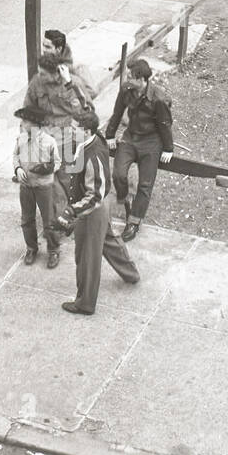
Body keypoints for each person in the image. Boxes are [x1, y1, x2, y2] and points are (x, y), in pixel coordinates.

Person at [55, 110, 140, 315]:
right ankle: (130, 273)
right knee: (108, 241)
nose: (71, 131)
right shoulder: (90, 142)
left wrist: (70, 211)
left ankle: (85, 303)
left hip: (92, 211)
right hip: (97, 210)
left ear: (86, 131)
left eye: (74, 129)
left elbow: (95, 196)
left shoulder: (92, 156)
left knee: (86, 257)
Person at [104, 58, 174, 242]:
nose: (127, 79)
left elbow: (165, 124)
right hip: (130, 137)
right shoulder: (126, 90)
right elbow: (117, 113)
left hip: (151, 142)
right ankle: (124, 198)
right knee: (118, 174)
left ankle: (133, 222)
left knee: (145, 185)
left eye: (130, 77)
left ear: (141, 79)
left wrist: (168, 148)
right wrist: (110, 135)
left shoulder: (158, 98)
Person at [23, 51, 95, 190]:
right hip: (43, 139)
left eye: (43, 74)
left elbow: (87, 112)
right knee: (41, 182)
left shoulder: (73, 83)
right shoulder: (37, 82)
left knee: (66, 181)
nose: (40, 76)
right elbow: (27, 110)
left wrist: (69, 85)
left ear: (56, 73)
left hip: (67, 139)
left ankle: (67, 209)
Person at [12, 105, 63, 269]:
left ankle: (54, 250)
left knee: (49, 220)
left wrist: (46, 169)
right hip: (26, 186)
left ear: (34, 124)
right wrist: (17, 169)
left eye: (25, 121)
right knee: (27, 219)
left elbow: (57, 163)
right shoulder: (20, 139)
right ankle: (31, 248)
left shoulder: (49, 142)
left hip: (44, 187)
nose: (22, 123)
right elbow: (15, 156)